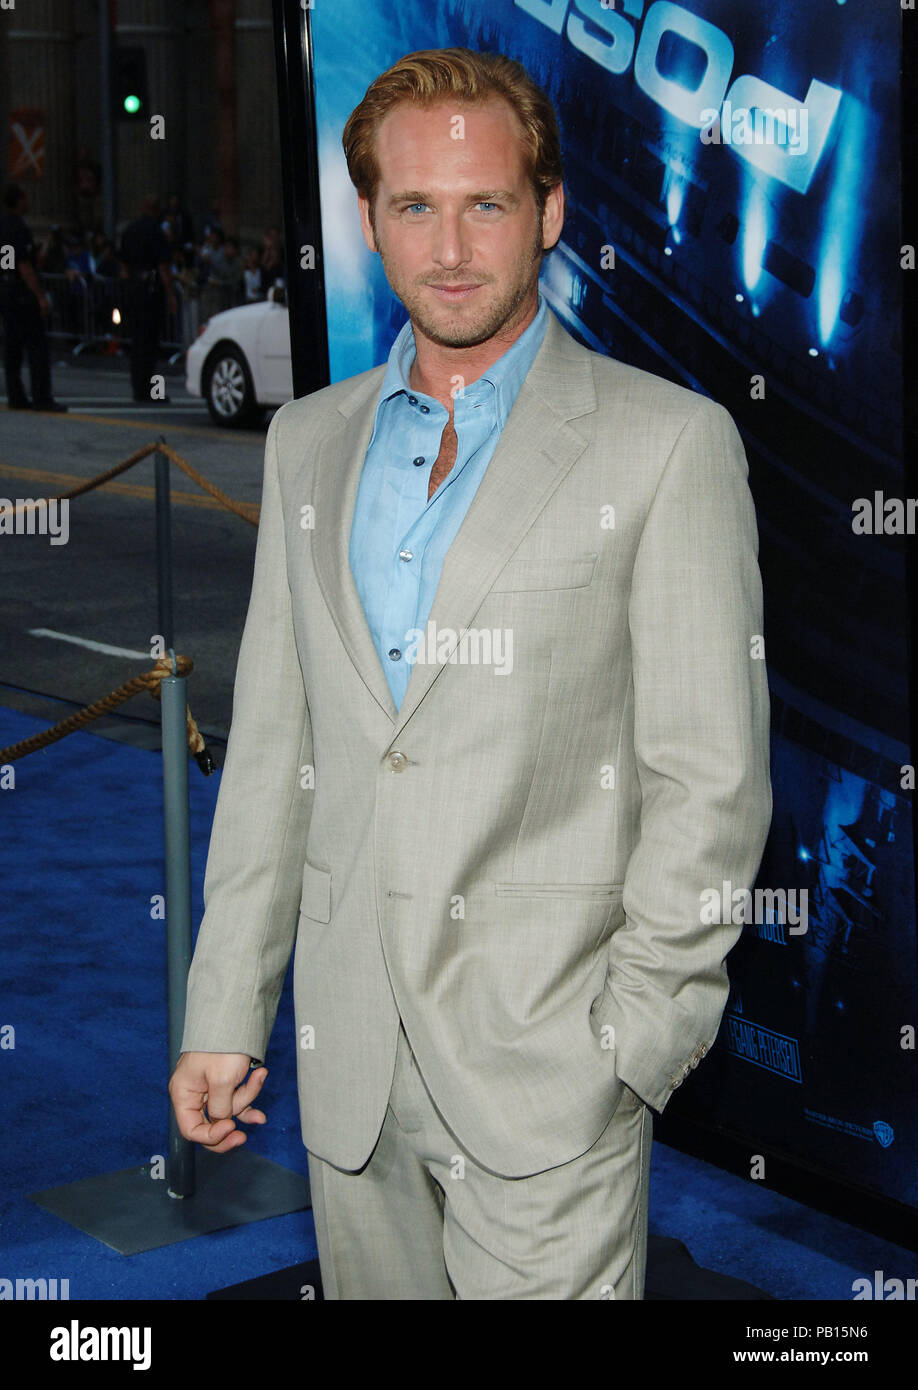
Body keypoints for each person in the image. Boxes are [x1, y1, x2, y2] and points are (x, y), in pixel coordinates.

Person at [170, 48, 772, 1300]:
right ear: (371, 220)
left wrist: (627, 1046)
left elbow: (709, 783)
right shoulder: (306, 443)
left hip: (550, 1083)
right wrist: (227, 1010)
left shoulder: (667, 445)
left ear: (549, 215)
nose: (450, 247)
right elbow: (277, 757)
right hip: (347, 1078)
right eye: (415, 207)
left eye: (486, 203)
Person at [0, 182, 67, 411]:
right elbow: (24, 265)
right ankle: (41, 397)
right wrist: (40, 296)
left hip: (6, 288)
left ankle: (16, 395)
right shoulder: (18, 227)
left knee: (12, 345)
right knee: (37, 345)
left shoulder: (3, 225)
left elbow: (9, 261)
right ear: (19, 200)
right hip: (21, 291)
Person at [118, 193, 177, 402]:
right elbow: (163, 266)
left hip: (134, 289)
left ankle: (138, 388)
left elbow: (123, 265)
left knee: (137, 343)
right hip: (151, 291)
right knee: (151, 344)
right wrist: (171, 296)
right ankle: (151, 390)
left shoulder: (129, 231)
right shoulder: (156, 232)